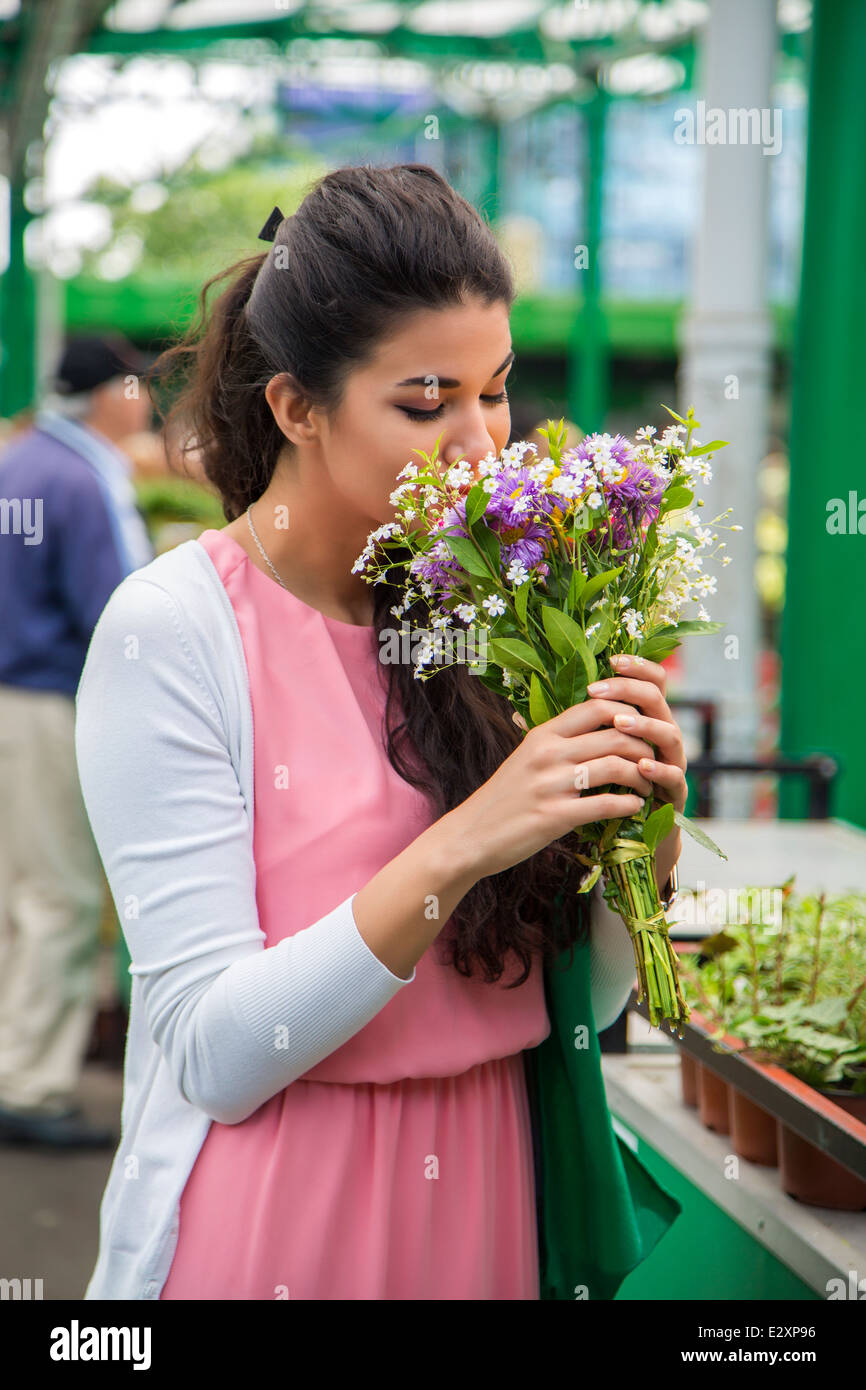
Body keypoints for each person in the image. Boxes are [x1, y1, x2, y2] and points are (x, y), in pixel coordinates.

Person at [75, 164, 687, 1299]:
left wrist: (637, 830)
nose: (480, 445)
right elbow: (213, 1052)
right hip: (276, 1208)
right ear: (295, 407)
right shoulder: (172, 632)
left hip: (490, 1189)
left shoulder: (495, 610)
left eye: (495, 391)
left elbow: (577, 1001)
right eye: (425, 402)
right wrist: (467, 841)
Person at [0, 333, 155, 1149]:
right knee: (57, 897)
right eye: (140, 387)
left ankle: (14, 1066)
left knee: (18, 899)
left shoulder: (22, 460)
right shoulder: (83, 476)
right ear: (112, 394)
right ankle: (32, 1087)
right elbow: (116, 613)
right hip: (48, 704)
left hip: (9, 700)